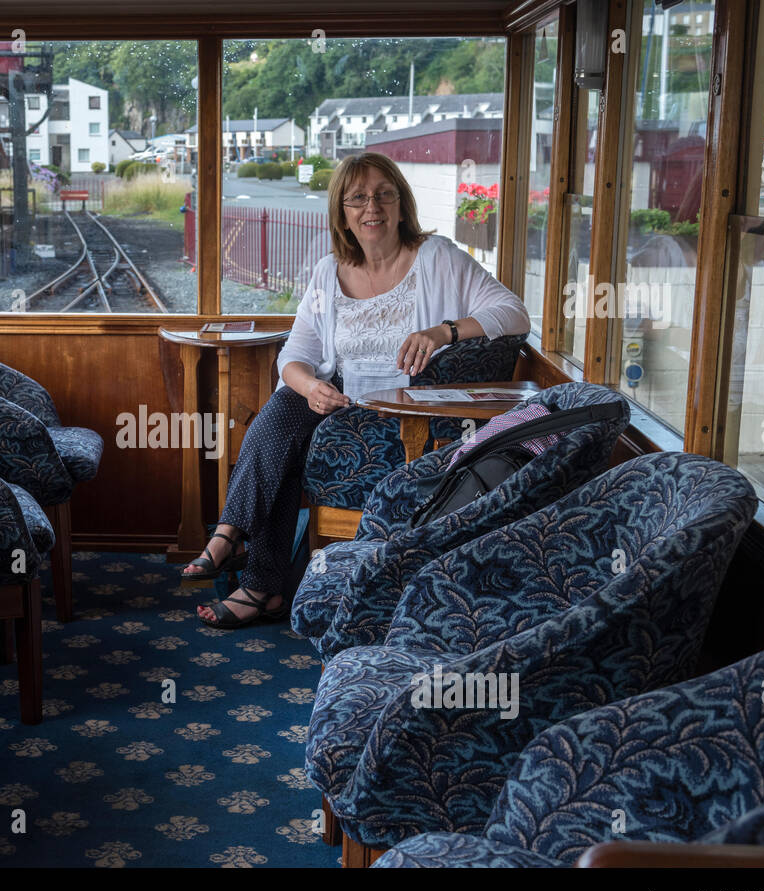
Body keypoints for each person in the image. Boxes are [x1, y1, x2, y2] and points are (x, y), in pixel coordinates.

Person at [184, 151, 531, 628]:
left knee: (288, 438)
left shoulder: (438, 257)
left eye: (384, 195)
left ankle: (252, 575)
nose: (373, 207)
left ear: (402, 205)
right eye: (358, 198)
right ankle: (236, 543)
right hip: (342, 396)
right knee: (286, 409)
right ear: (342, 213)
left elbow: (514, 313)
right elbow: (295, 354)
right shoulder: (329, 272)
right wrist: (311, 387)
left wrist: (443, 331)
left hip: (405, 405)